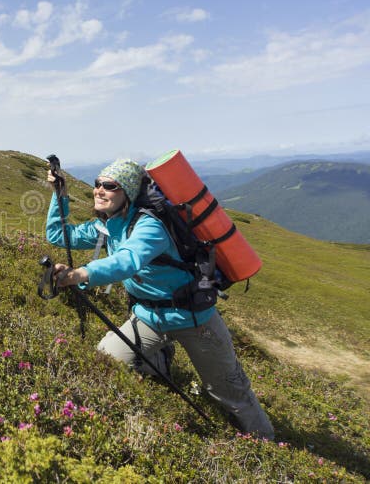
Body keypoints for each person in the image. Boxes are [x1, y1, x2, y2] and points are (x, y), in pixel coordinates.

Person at [45, 158, 274, 439]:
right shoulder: (106, 226)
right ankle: (161, 360)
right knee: (106, 358)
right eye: (97, 184)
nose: (99, 190)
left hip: (193, 319)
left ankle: (267, 442)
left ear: (127, 192)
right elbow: (58, 235)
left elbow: (129, 261)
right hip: (148, 317)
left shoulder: (150, 226)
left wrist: (80, 274)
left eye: (109, 186)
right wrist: (61, 196)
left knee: (230, 391)